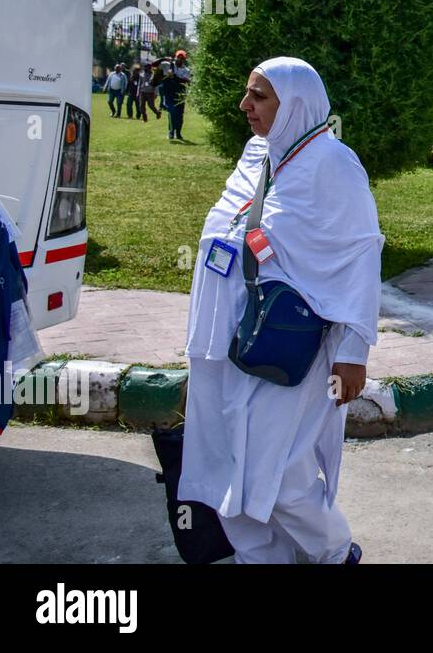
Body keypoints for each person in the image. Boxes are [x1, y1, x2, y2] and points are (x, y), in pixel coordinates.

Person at [178, 57, 383, 564]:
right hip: (226, 336)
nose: (245, 106)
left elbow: (360, 253)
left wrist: (354, 351)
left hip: (292, 343)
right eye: (248, 93)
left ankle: (335, 552)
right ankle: (262, 558)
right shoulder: (256, 154)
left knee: (282, 472)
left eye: (260, 96)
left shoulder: (334, 164)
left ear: (295, 104)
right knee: (227, 462)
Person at [159, 58, 188, 141]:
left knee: (180, 115)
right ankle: (171, 132)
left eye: (181, 58)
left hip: (180, 94)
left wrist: (174, 76)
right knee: (171, 113)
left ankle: (178, 133)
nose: (179, 59)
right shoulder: (169, 67)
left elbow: (185, 81)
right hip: (170, 94)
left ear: (184, 59)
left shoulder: (186, 70)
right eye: (178, 57)